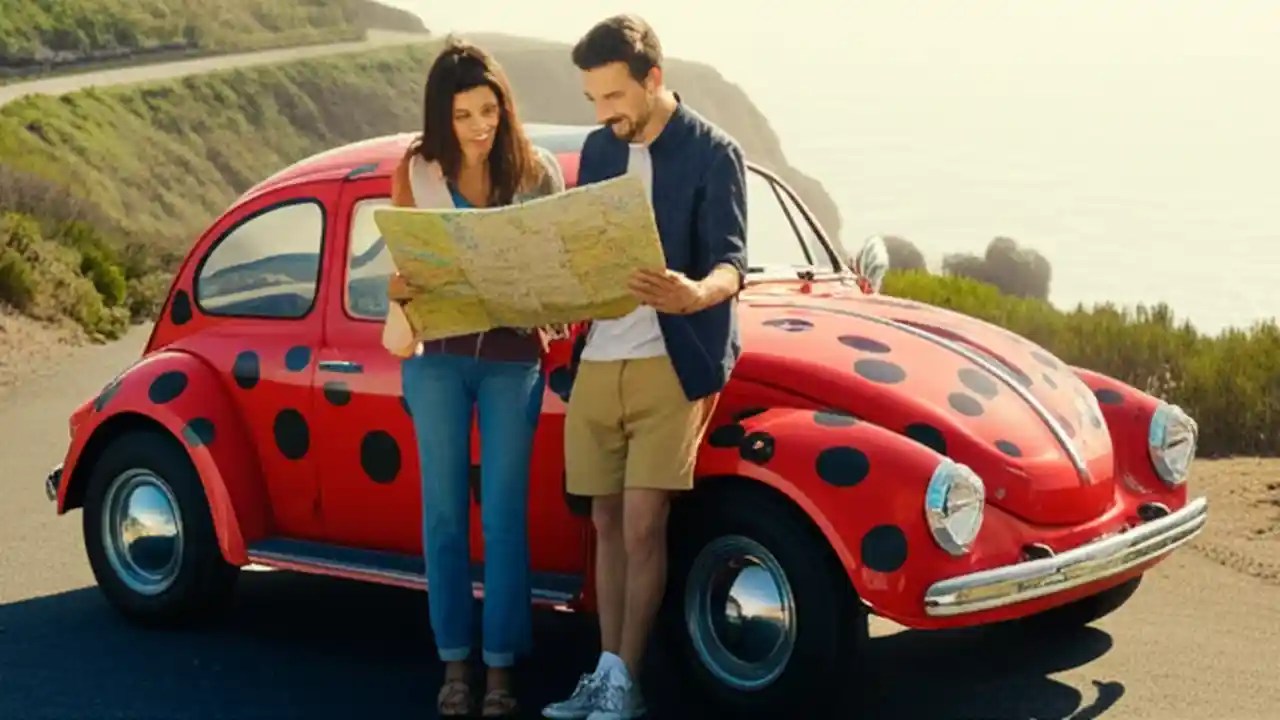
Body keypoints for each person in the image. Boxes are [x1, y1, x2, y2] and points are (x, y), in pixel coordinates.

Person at [542, 14, 748, 720]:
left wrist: (696, 294)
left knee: (640, 524)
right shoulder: (600, 150)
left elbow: (732, 264)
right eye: (593, 99)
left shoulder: (715, 153)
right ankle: (606, 672)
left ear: (652, 79)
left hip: (673, 356)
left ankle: (626, 682)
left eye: (613, 96)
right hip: (599, 355)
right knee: (603, 521)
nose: (603, 113)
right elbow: (587, 252)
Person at [386, 37, 566, 718]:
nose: (479, 126)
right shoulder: (418, 170)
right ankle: (454, 664)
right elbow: (404, 263)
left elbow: (558, 271)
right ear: (443, 116)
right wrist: (400, 285)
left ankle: (501, 670)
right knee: (442, 516)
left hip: (512, 359)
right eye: (463, 115)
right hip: (437, 357)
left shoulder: (537, 173)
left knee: (504, 515)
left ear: (504, 107)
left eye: (488, 110)